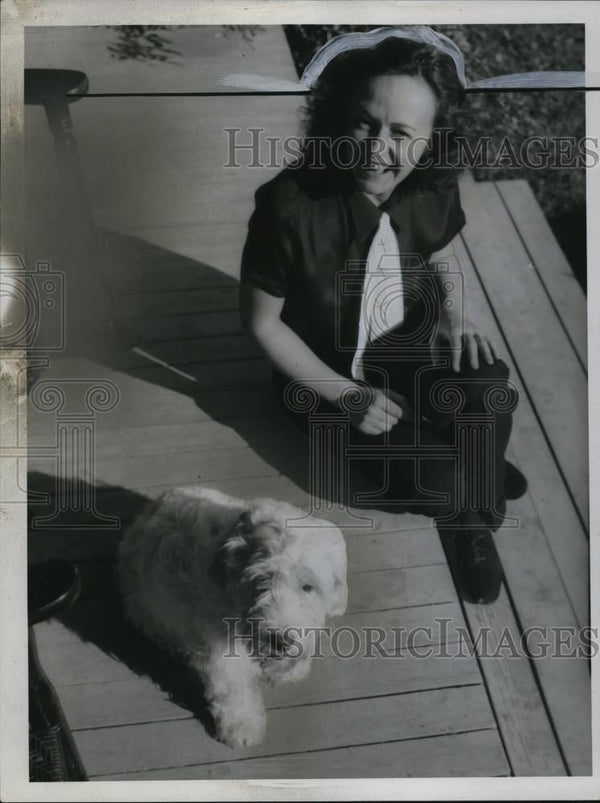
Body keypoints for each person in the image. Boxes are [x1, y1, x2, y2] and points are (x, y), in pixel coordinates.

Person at [239, 27, 527, 604]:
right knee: (444, 477)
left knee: (489, 385)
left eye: (401, 134)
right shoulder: (287, 208)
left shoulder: (429, 185)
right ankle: (466, 506)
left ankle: (473, 481)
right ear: (337, 116)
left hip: (411, 350)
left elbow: (441, 251)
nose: (376, 148)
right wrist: (345, 396)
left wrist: (458, 316)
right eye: (364, 122)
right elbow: (263, 324)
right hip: (327, 376)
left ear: (429, 142)